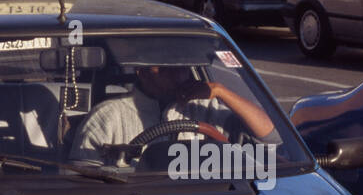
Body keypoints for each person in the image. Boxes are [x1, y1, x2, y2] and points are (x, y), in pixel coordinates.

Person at [72, 63, 275, 162]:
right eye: (165, 68)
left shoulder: (207, 110)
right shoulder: (107, 117)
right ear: (141, 71)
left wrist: (221, 92)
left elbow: (269, 135)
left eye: (182, 67)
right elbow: (81, 182)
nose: (177, 75)